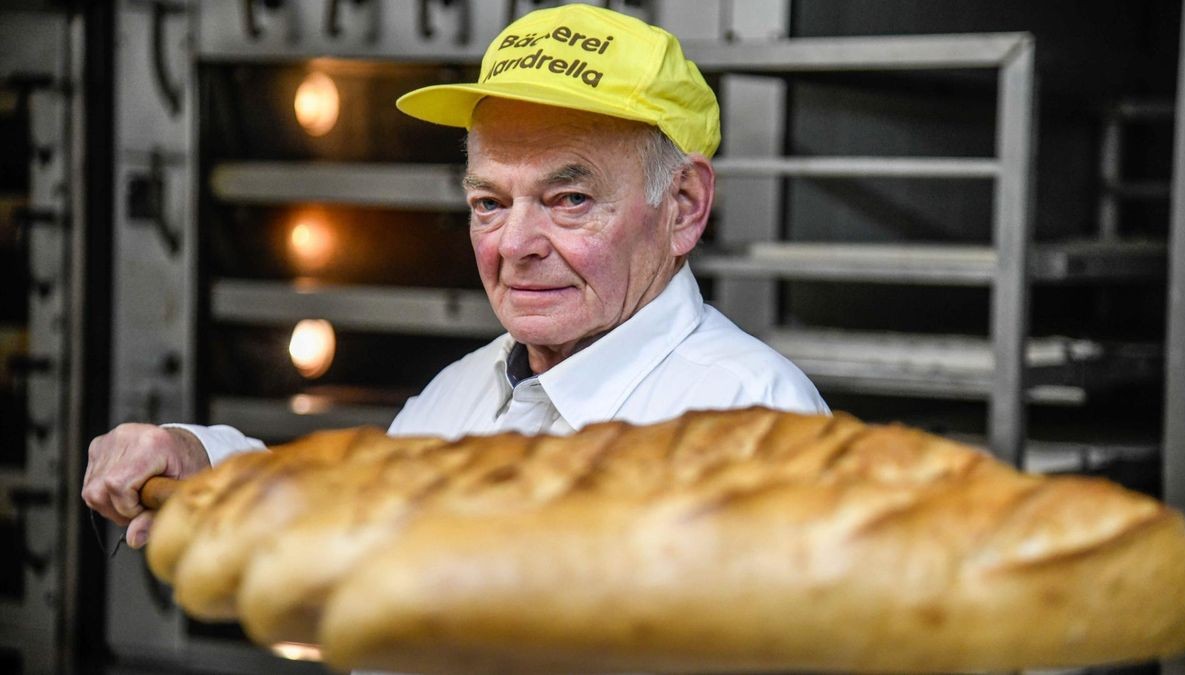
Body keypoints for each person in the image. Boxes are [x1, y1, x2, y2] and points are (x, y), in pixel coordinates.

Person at [82, 3, 828, 549]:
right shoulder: (464, 393)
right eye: (489, 202)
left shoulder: (759, 429)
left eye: (570, 199)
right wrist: (200, 456)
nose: (515, 244)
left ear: (684, 207)